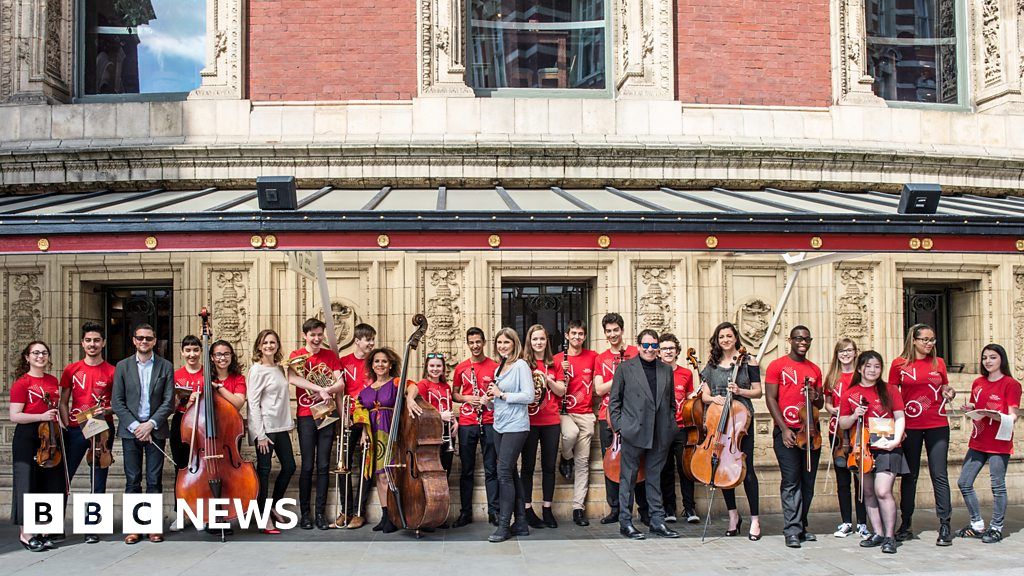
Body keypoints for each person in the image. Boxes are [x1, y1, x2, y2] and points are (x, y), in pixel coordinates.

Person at [609, 329, 680, 540]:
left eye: (653, 345)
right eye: (646, 345)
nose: (650, 349)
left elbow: (671, 404)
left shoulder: (666, 370)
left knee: (654, 478)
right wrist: (621, 427)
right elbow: (615, 402)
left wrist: (670, 426)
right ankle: (626, 523)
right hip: (634, 431)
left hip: (660, 432)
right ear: (639, 346)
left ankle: (657, 522)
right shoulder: (625, 368)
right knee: (628, 479)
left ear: (657, 347)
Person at [888, 323, 954, 545]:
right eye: (925, 339)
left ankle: (945, 525)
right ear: (913, 340)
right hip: (911, 426)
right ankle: (905, 525)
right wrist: (897, 427)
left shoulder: (939, 363)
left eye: (932, 339)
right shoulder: (899, 364)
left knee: (939, 474)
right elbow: (891, 395)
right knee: (909, 476)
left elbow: (944, 388)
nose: (929, 343)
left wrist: (949, 392)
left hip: (937, 424)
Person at [838, 351, 908, 555]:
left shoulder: (890, 389)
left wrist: (895, 441)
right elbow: (843, 423)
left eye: (877, 366)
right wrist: (854, 415)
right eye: (868, 366)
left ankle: (889, 536)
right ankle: (877, 533)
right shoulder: (850, 393)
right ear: (860, 368)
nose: (872, 370)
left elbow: (900, 416)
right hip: (863, 447)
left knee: (883, 491)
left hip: (887, 444)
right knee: (868, 492)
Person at [111, 323, 175, 545]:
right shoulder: (122, 366)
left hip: (156, 431)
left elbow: (169, 402)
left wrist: (151, 425)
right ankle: (134, 528)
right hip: (131, 433)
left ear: (155, 341)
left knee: (155, 481)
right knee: (132, 481)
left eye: (149, 338)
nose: (144, 342)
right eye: (140, 338)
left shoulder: (166, 366)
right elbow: (117, 402)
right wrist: (137, 427)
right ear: (134, 340)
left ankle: (154, 527)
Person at [700, 322, 762, 539]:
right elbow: (705, 395)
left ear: (736, 337)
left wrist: (739, 390)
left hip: (740, 422)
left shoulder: (748, 361)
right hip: (720, 422)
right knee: (722, 468)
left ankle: (755, 520)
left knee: (748, 471)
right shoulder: (713, 364)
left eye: (729, 336)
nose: (725, 340)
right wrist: (713, 398)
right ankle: (733, 516)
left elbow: (758, 392)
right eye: (721, 337)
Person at [955, 344, 1020, 544]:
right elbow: (977, 405)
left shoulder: (1011, 384)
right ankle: (976, 524)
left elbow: (1013, 416)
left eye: (992, 357)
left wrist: (996, 416)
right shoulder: (978, 382)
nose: (988, 361)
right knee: (964, 482)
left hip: (999, 441)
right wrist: (971, 408)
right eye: (985, 358)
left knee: (997, 485)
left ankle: (996, 527)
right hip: (978, 440)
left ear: (1002, 359)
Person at [765, 325, 823, 548]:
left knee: (808, 483)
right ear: (790, 340)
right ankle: (791, 529)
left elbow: (818, 404)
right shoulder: (777, 365)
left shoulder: (815, 369)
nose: (803, 342)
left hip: (810, 433)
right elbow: (771, 399)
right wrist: (784, 429)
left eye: (807, 339)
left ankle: (801, 526)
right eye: (799, 338)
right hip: (787, 430)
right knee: (791, 481)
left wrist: (816, 395)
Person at [57, 322, 115, 544]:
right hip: (75, 429)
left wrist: (106, 409)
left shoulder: (112, 371)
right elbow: (63, 401)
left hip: (102, 429)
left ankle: (93, 527)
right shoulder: (72, 369)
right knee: (64, 478)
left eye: (97, 340)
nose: (93, 344)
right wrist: (65, 423)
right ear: (83, 343)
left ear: (103, 343)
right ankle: (55, 526)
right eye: (88, 340)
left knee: (98, 480)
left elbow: (118, 404)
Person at [287, 318, 344, 531]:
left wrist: (326, 391)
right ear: (305, 335)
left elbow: (340, 383)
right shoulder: (296, 356)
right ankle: (305, 514)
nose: (317, 338)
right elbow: (293, 379)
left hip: (327, 413)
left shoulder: (330, 356)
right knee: (307, 466)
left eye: (320, 334)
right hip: (305, 414)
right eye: (313, 335)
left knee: (323, 466)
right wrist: (319, 388)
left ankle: (320, 514)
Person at [10, 341, 66, 552]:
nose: (40, 356)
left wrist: (61, 424)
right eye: (35, 353)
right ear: (27, 357)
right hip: (28, 435)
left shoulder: (52, 380)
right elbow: (15, 415)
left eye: (43, 353)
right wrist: (41, 416)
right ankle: (27, 533)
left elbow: (56, 407)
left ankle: (44, 530)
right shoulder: (22, 383)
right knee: (28, 482)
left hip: (49, 434)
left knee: (48, 481)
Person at [593, 312, 647, 525]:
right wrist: (621, 376)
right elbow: (598, 389)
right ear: (605, 333)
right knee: (611, 463)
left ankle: (643, 509)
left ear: (622, 331)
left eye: (616, 330)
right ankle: (614, 508)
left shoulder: (635, 352)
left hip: (634, 416)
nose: (613, 334)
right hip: (607, 416)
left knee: (639, 462)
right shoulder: (601, 358)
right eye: (609, 331)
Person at [247, 329, 299, 535]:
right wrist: (260, 434)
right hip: (266, 430)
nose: (269, 345)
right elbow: (253, 403)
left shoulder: (280, 368)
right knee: (264, 471)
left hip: (281, 427)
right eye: (265, 342)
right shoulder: (257, 370)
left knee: (289, 466)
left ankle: (274, 506)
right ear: (259, 346)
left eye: (273, 342)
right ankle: (263, 517)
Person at [486, 328, 535, 543]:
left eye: (506, 342)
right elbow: (498, 397)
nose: (502, 346)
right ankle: (521, 522)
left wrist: (502, 394)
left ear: (515, 343)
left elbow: (529, 396)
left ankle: (504, 526)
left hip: (516, 426)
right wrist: (489, 399)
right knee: (511, 473)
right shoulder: (500, 368)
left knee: (503, 473)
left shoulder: (521, 365)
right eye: (499, 343)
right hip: (499, 425)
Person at [451, 327, 500, 527]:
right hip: (467, 422)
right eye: (471, 342)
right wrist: (466, 398)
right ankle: (465, 513)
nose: (475, 346)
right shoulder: (461, 368)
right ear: (467, 343)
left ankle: (494, 512)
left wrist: (487, 397)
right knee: (467, 470)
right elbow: (454, 394)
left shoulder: (495, 366)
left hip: (489, 421)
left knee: (491, 469)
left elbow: (500, 391)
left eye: (478, 342)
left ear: (484, 342)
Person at [520, 324, 566, 529]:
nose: (538, 342)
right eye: (535, 339)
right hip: (529, 421)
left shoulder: (555, 363)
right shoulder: (523, 364)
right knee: (527, 467)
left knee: (549, 467)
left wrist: (549, 381)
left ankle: (547, 509)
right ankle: (527, 509)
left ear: (547, 341)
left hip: (551, 421)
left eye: (542, 339)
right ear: (529, 341)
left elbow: (562, 391)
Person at [554, 320, 598, 526]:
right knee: (569, 435)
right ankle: (565, 456)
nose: (577, 337)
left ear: (585, 336)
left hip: (586, 413)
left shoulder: (593, 357)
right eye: (573, 333)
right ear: (566, 335)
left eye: (581, 334)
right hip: (564, 412)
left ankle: (578, 508)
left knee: (583, 464)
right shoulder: (557, 359)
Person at [823, 338, 868, 539]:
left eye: (849, 350)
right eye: (842, 351)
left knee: (860, 477)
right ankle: (846, 522)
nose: (846, 354)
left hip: (858, 430)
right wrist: (834, 410)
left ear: (855, 352)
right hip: (838, 432)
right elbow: (827, 403)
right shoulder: (833, 376)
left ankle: (863, 522)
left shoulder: (861, 375)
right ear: (837, 354)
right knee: (842, 478)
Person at [358, 347, 403, 534]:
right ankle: (385, 516)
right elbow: (360, 410)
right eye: (377, 361)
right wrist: (363, 432)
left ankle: (394, 515)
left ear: (390, 364)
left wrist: (409, 400)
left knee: (388, 475)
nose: (380, 364)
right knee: (379, 475)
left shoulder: (396, 383)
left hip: (391, 433)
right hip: (374, 435)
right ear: (372, 365)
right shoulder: (366, 391)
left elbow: (413, 386)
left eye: (384, 361)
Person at [657, 332, 699, 526]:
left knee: (685, 469)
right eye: (664, 348)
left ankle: (689, 507)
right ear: (659, 352)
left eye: (671, 348)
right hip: (662, 428)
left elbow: (690, 397)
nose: (668, 352)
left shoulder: (686, 373)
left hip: (682, 427)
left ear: (677, 351)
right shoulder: (655, 371)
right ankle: (669, 508)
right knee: (665, 470)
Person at [338, 322, 376, 529]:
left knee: (365, 467)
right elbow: (338, 391)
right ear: (357, 340)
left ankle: (360, 513)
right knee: (343, 466)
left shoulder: (375, 363)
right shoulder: (343, 362)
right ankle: (346, 510)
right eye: (368, 339)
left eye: (372, 339)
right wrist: (343, 415)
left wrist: (364, 427)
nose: (371, 343)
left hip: (368, 422)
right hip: (347, 419)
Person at [407, 352, 457, 476]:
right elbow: (421, 411)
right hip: (431, 432)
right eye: (432, 366)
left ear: (443, 368)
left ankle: (444, 494)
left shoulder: (446, 386)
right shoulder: (424, 384)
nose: (435, 369)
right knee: (434, 468)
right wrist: (440, 415)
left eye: (438, 366)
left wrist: (455, 422)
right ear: (427, 368)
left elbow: (449, 408)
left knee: (446, 468)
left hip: (447, 431)